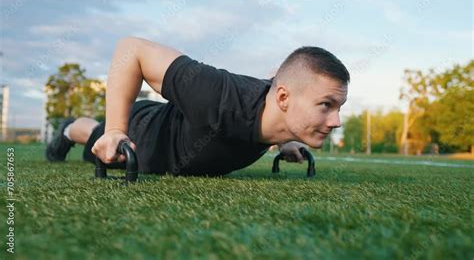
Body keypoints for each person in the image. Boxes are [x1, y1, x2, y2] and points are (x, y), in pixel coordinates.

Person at [46, 37, 349, 176]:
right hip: (148, 133)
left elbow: (278, 79)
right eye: (326, 105)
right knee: (94, 135)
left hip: (190, 149)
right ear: (283, 98)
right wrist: (115, 130)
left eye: (338, 106)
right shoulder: (216, 93)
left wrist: (288, 140)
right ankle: (69, 128)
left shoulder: (282, 103)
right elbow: (131, 49)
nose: (336, 121)